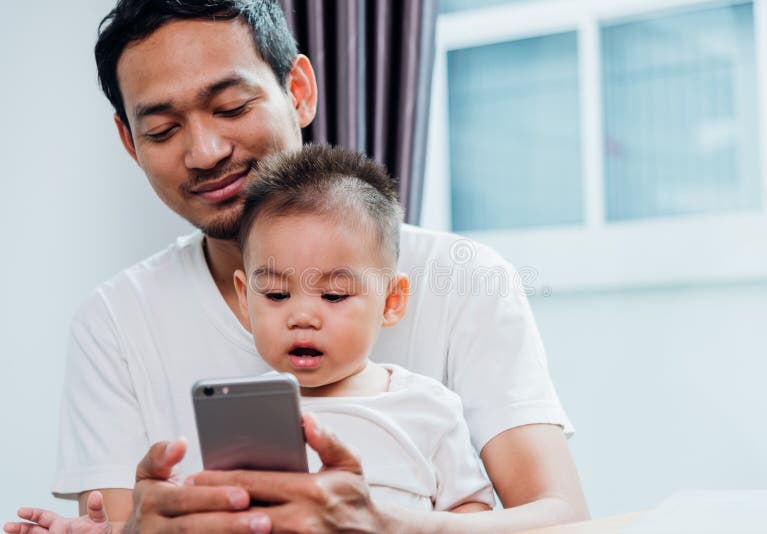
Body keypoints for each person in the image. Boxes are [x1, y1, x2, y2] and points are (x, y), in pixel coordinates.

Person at [11, 0, 588, 532]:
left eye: (232, 106)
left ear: (300, 90)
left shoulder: (468, 280)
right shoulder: (113, 322)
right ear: (129, 142)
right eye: (162, 130)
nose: (206, 151)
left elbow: (564, 519)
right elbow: (115, 521)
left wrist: (382, 525)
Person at [5, 146, 498, 534]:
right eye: (277, 293)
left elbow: (473, 517)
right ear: (246, 297)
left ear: (391, 300)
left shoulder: (428, 407)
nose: (302, 316)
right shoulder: (234, 416)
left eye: (333, 294)